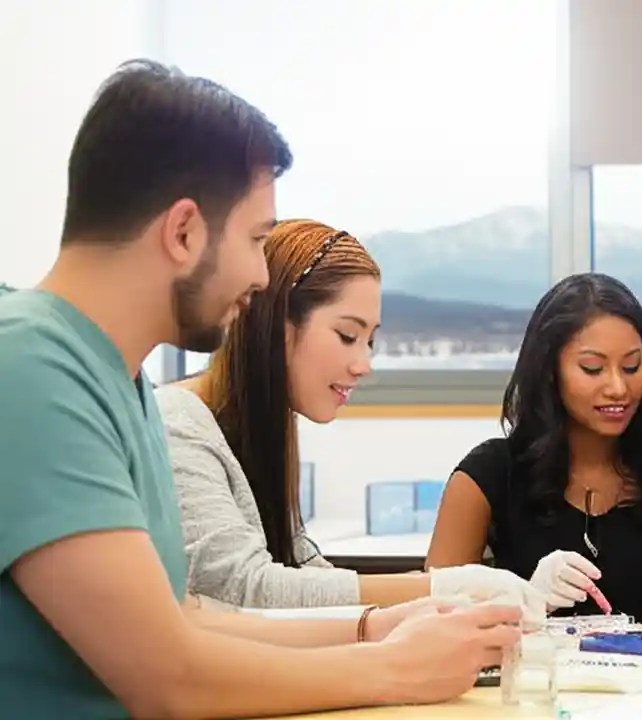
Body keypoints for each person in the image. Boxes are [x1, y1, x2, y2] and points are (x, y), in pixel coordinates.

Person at [0, 60, 523, 718]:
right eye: (255, 239)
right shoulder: (29, 369)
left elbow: (189, 620)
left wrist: (373, 628)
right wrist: (390, 668)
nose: (258, 275)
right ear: (184, 231)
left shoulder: (115, 380)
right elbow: (169, 677)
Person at [158, 219, 543, 611]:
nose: (364, 364)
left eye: (370, 341)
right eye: (347, 336)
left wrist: (427, 599)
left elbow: (301, 565)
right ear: (274, 324)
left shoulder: (264, 429)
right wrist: (439, 589)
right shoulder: (177, 425)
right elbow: (245, 587)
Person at [427, 273, 642, 619]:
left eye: (631, 366)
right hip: (528, 670)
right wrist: (525, 600)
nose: (618, 388)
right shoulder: (488, 474)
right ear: (550, 372)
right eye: (592, 369)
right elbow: (427, 616)